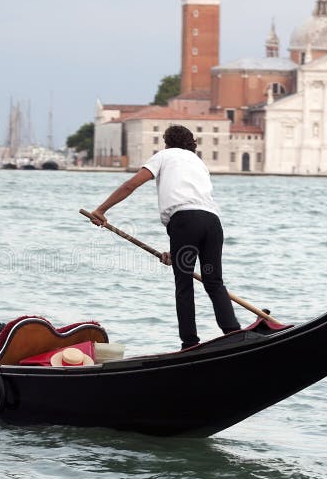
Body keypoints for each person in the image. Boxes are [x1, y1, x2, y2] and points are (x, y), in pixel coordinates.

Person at [89, 124, 240, 349]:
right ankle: (234, 333)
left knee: (184, 283)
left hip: (185, 223)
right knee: (214, 281)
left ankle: (189, 343)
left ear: (167, 143)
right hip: (212, 224)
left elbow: (131, 185)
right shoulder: (198, 162)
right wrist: (176, 253)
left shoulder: (163, 156)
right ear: (191, 144)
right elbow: (194, 203)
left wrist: (101, 210)